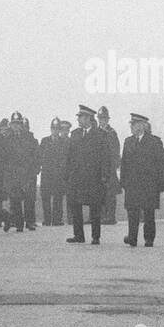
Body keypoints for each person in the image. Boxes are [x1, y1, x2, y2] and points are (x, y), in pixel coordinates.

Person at [65, 104, 113, 244]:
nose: (79, 119)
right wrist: (67, 175)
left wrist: (104, 176)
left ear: (88, 118)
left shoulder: (100, 135)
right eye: (79, 117)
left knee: (95, 207)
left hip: (94, 178)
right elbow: (70, 157)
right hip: (77, 178)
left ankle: (95, 236)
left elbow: (106, 158)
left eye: (81, 117)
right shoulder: (75, 134)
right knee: (75, 207)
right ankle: (78, 235)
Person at [120, 112, 164, 247]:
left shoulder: (154, 141)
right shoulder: (128, 142)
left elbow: (162, 164)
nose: (131, 127)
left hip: (149, 184)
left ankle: (149, 239)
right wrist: (123, 182)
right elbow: (124, 163)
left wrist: (160, 184)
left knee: (148, 212)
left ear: (142, 126)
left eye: (134, 124)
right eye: (131, 124)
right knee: (132, 211)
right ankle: (132, 237)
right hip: (132, 184)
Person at [1, 111, 38, 231]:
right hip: (13, 175)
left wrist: (32, 173)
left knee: (29, 199)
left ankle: (30, 222)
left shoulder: (29, 138)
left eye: (18, 123)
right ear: (11, 125)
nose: (16, 126)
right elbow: (4, 158)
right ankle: (19, 224)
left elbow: (34, 157)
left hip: (26, 174)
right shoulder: (6, 139)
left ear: (22, 125)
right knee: (15, 200)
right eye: (14, 124)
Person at [39, 118, 68, 227]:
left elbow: (65, 157)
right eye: (53, 128)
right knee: (45, 197)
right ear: (51, 129)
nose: (55, 131)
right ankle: (47, 219)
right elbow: (40, 155)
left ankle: (57, 219)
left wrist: (62, 170)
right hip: (47, 173)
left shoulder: (63, 142)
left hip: (58, 174)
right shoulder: (44, 141)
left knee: (58, 197)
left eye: (57, 129)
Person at [97, 105, 122, 225]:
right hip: (98, 167)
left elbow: (115, 151)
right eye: (100, 118)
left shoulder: (111, 133)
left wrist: (113, 166)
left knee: (110, 193)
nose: (102, 121)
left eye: (104, 118)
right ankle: (101, 216)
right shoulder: (96, 132)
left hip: (110, 168)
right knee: (100, 193)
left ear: (107, 119)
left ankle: (110, 216)